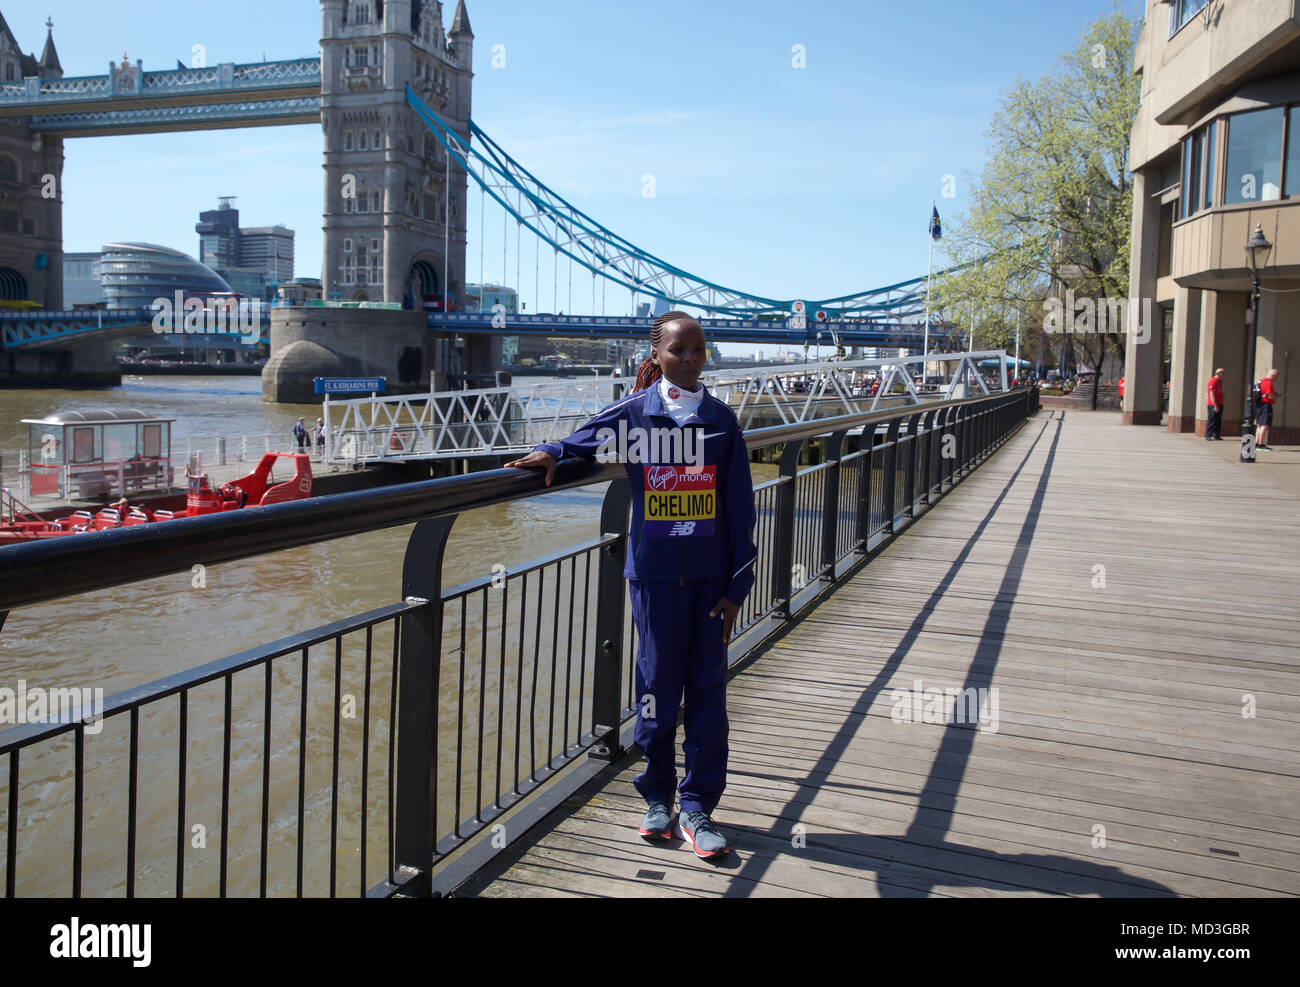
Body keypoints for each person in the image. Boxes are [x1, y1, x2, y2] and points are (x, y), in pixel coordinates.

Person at [505, 311, 756, 860]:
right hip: (654, 578)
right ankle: (657, 796)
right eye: (676, 351)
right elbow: (582, 440)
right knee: (654, 691)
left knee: (709, 693)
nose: (688, 359)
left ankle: (698, 807)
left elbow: (741, 509)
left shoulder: (721, 421)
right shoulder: (635, 414)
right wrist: (554, 453)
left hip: (712, 583)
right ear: (657, 357)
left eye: (696, 350)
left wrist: (739, 585)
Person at [1257, 368, 1280, 449]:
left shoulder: (1262, 381)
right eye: (1277, 376)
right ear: (1273, 375)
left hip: (1260, 405)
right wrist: (1276, 396)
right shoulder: (1268, 383)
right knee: (1265, 425)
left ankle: (1257, 442)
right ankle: (1260, 444)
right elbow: (1270, 396)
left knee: (1259, 424)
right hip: (1266, 405)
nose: (1277, 378)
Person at [1206, 368, 1224, 440]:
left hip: (1220, 403)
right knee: (1212, 420)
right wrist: (1215, 405)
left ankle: (1216, 435)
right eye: (1222, 373)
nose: (1223, 375)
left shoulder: (1219, 382)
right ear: (1219, 374)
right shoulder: (1213, 381)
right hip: (1213, 404)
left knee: (1218, 420)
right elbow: (1211, 394)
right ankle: (1208, 435)